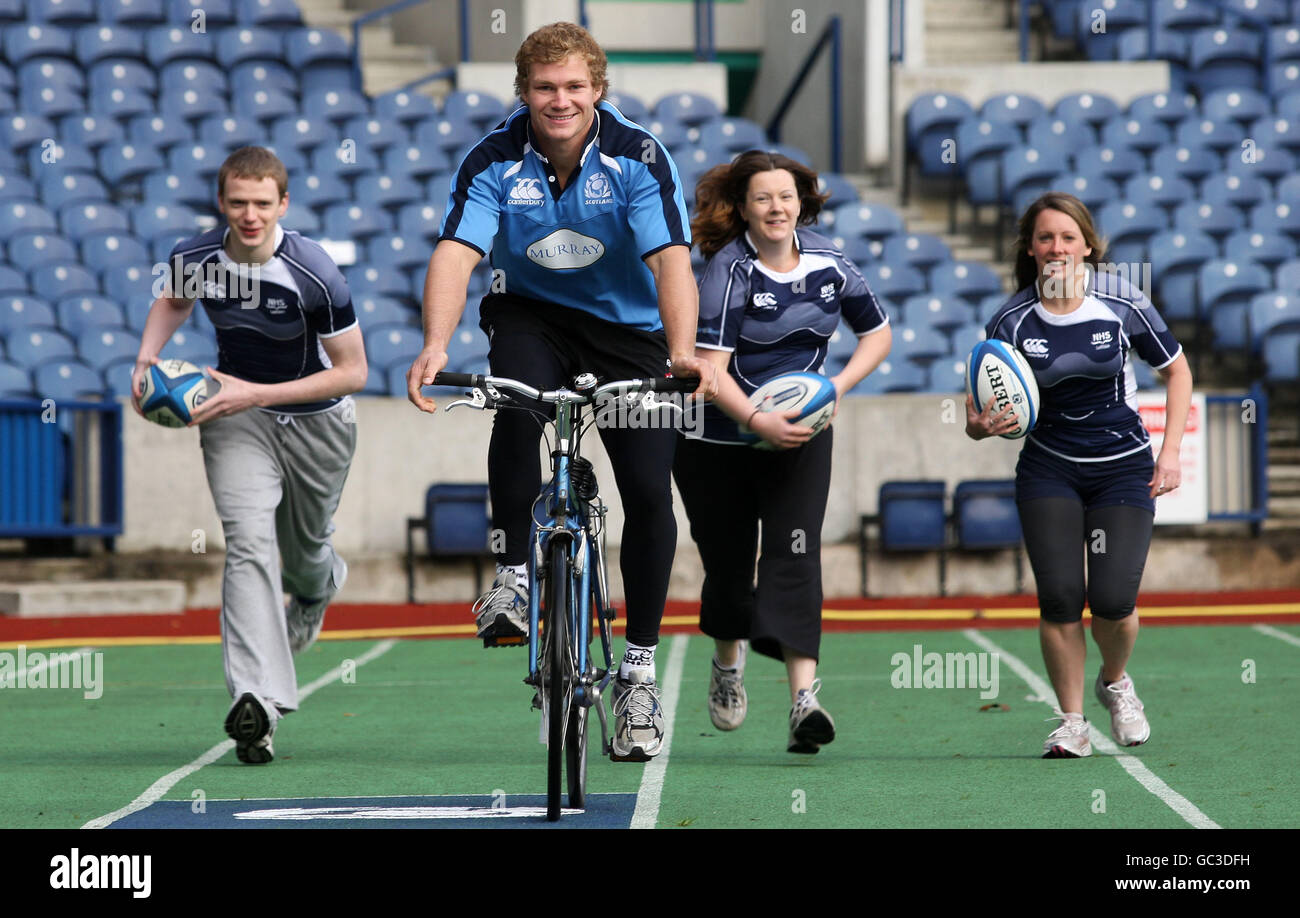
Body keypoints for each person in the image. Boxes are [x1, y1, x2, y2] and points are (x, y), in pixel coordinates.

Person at [406, 22, 718, 762]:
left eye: (575, 86)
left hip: (630, 333)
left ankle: (637, 674)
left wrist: (680, 352)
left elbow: (672, 258)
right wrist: (435, 344)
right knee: (514, 407)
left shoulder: (639, 156)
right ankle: (513, 576)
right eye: (545, 87)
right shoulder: (491, 159)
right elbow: (456, 252)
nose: (560, 100)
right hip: (531, 316)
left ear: (598, 90)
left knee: (648, 491)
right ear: (524, 93)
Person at [131, 146, 367, 764]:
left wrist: (255, 393)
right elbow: (174, 301)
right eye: (238, 202)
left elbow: (353, 373)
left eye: (263, 203)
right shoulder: (194, 256)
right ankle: (256, 702)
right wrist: (146, 358)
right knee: (247, 541)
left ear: (283, 204)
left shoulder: (316, 271)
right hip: (235, 420)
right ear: (221, 202)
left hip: (318, 422)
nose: (250, 214)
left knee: (306, 551)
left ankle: (317, 589)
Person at [672, 151, 892, 753]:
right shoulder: (726, 270)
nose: (777, 208)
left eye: (787, 197)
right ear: (742, 207)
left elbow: (878, 334)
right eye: (763, 198)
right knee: (729, 571)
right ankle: (727, 660)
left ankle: (803, 700)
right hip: (716, 440)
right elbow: (709, 371)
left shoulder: (830, 262)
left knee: (797, 556)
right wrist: (756, 420)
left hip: (800, 437)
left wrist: (834, 391)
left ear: (803, 202)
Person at [967, 191, 1192, 758]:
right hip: (1049, 471)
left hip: (1123, 469)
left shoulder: (1123, 302)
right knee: (1061, 597)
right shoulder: (1010, 319)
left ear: (1088, 245)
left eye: (1068, 237)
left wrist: (1170, 455)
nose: (1057, 248)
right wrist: (979, 425)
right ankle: (1071, 721)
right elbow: (978, 411)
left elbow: (1178, 372)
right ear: (1031, 249)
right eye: (1046, 238)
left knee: (1115, 600)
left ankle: (1115, 681)